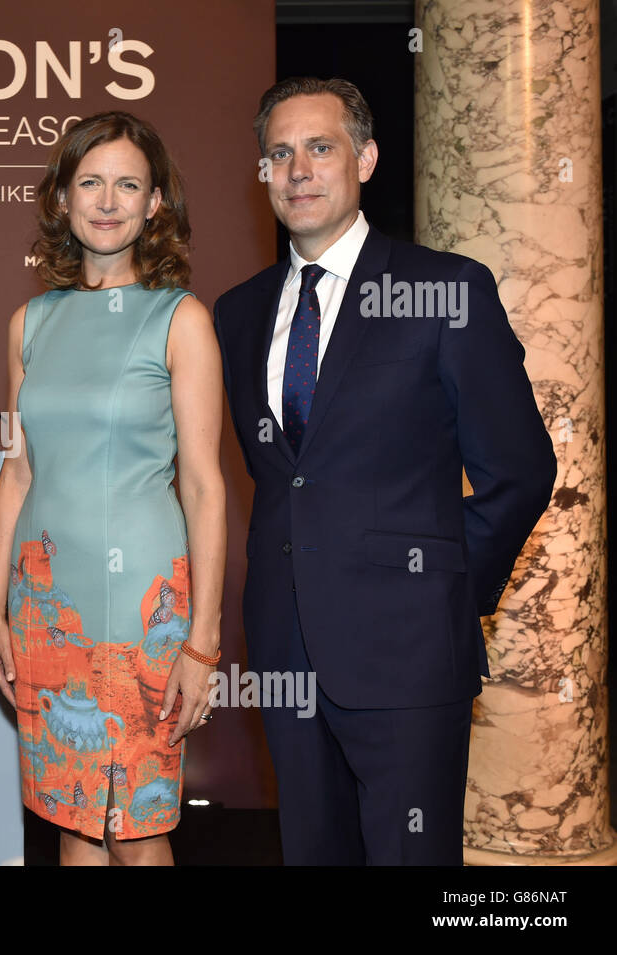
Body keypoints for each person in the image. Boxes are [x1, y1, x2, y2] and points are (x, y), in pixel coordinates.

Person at [213, 77, 557, 865]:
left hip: (409, 654)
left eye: (320, 147)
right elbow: (282, 481)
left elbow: (520, 470)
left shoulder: (445, 290)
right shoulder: (237, 312)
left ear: (365, 159)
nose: (298, 169)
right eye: (279, 153)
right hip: (286, 649)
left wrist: (441, 588)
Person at [0, 112, 226, 866]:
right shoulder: (30, 322)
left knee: (139, 824)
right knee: (72, 815)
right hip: (47, 606)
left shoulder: (180, 318)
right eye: (90, 181)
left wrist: (203, 644)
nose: (108, 199)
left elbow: (204, 485)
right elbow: (20, 471)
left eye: (129, 183)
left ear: (156, 203)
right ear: (62, 197)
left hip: (142, 608)